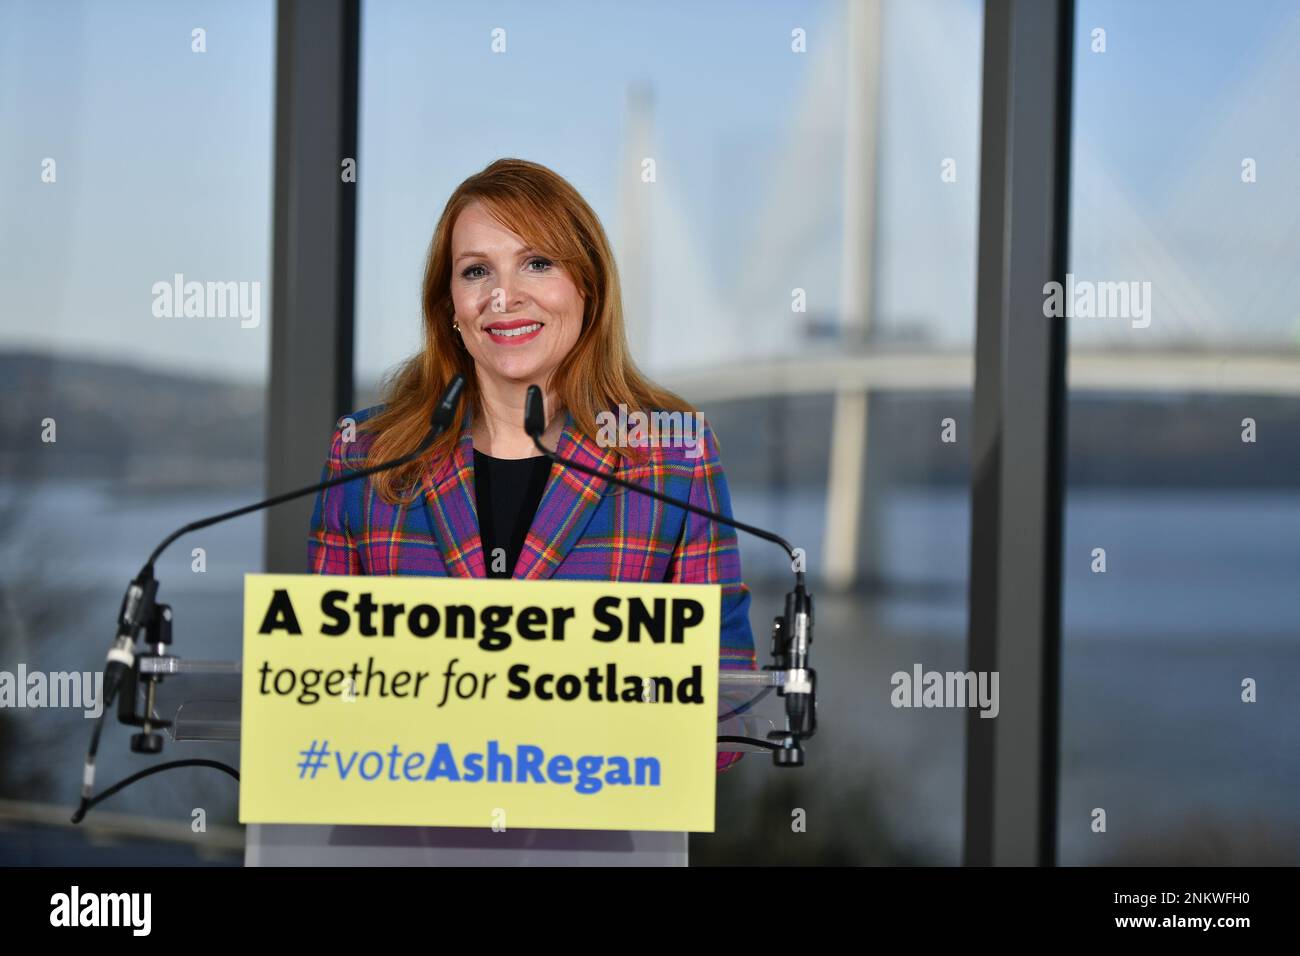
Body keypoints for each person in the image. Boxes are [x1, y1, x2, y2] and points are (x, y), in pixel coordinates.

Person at [308, 157, 756, 771]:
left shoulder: (675, 457)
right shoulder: (368, 452)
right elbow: (315, 691)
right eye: (476, 271)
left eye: (537, 263)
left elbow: (725, 712)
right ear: (450, 307)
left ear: (587, 287)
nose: (503, 295)